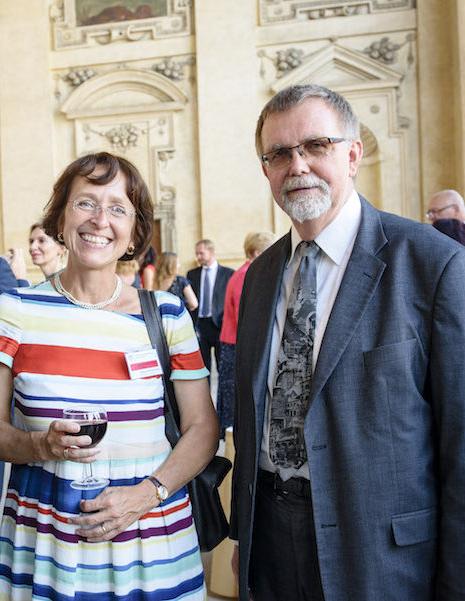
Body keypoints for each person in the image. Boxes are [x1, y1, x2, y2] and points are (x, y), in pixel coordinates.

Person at [230, 84, 465, 601]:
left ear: (353, 154)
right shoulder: (259, 276)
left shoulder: (432, 265)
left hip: (380, 553)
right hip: (270, 540)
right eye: (279, 154)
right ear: (266, 168)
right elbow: (252, 411)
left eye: (316, 146)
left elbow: (459, 445)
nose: (297, 166)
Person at [0, 152, 219, 601]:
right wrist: (39, 445)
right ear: (61, 219)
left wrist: (145, 496)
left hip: (152, 540)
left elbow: (203, 429)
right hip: (44, 540)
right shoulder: (14, 312)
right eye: (85, 203)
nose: (100, 220)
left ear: (133, 233)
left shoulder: (165, 315)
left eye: (117, 208)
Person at [215, 231, 275, 438]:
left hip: (234, 343)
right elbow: (247, 315)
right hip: (237, 345)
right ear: (258, 252)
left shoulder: (244, 272)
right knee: (237, 403)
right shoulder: (247, 274)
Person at [186, 239, 233, 376]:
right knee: (202, 369)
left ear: (211, 252)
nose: (198, 257)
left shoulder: (228, 274)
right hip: (200, 325)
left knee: (223, 368)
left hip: (220, 325)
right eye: (197, 254)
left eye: (201, 253)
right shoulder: (192, 274)